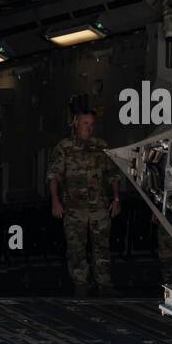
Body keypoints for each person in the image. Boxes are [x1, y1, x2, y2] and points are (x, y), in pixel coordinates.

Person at [48, 94, 120, 297]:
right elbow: (54, 175)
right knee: (76, 249)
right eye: (85, 123)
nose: (89, 127)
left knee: (102, 248)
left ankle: (105, 284)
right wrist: (55, 201)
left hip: (99, 208)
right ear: (76, 124)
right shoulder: (64, 148)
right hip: (74, 210)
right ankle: (81, 285)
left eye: (92, 124)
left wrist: (116, 199)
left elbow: (113, 175)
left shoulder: (101, 146)